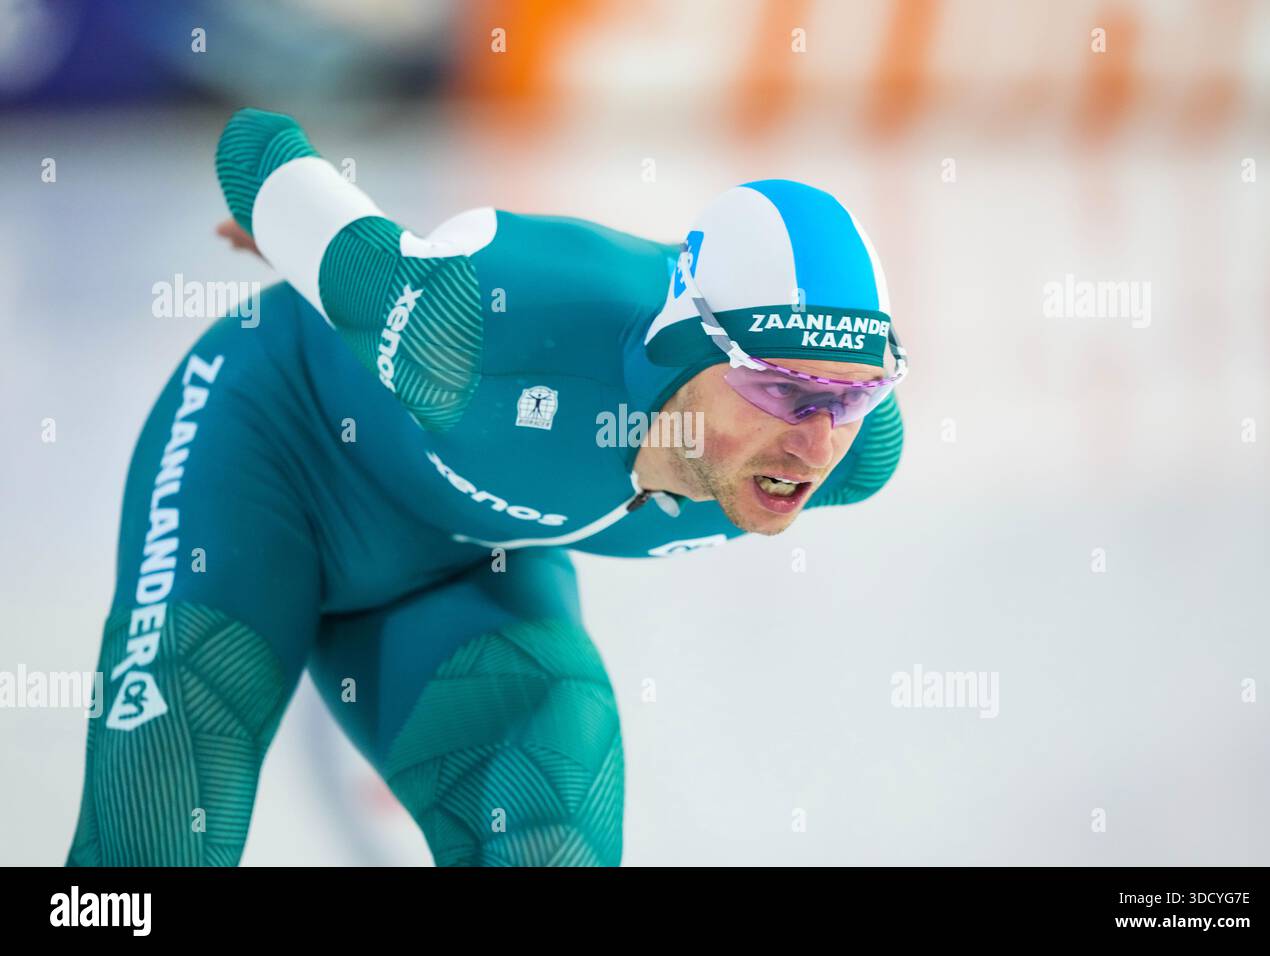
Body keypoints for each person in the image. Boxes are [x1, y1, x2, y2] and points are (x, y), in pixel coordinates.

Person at [66, 109, 907, 866]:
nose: (817, 439)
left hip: (458, 565)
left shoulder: (853, 454)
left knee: (550, 839)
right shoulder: (470, 331)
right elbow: (255, 142)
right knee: (153, 837)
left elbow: (832, 413)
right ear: (690, 342)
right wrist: (301, 232)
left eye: (857, 393)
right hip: (266, 457)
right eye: (782, 388)